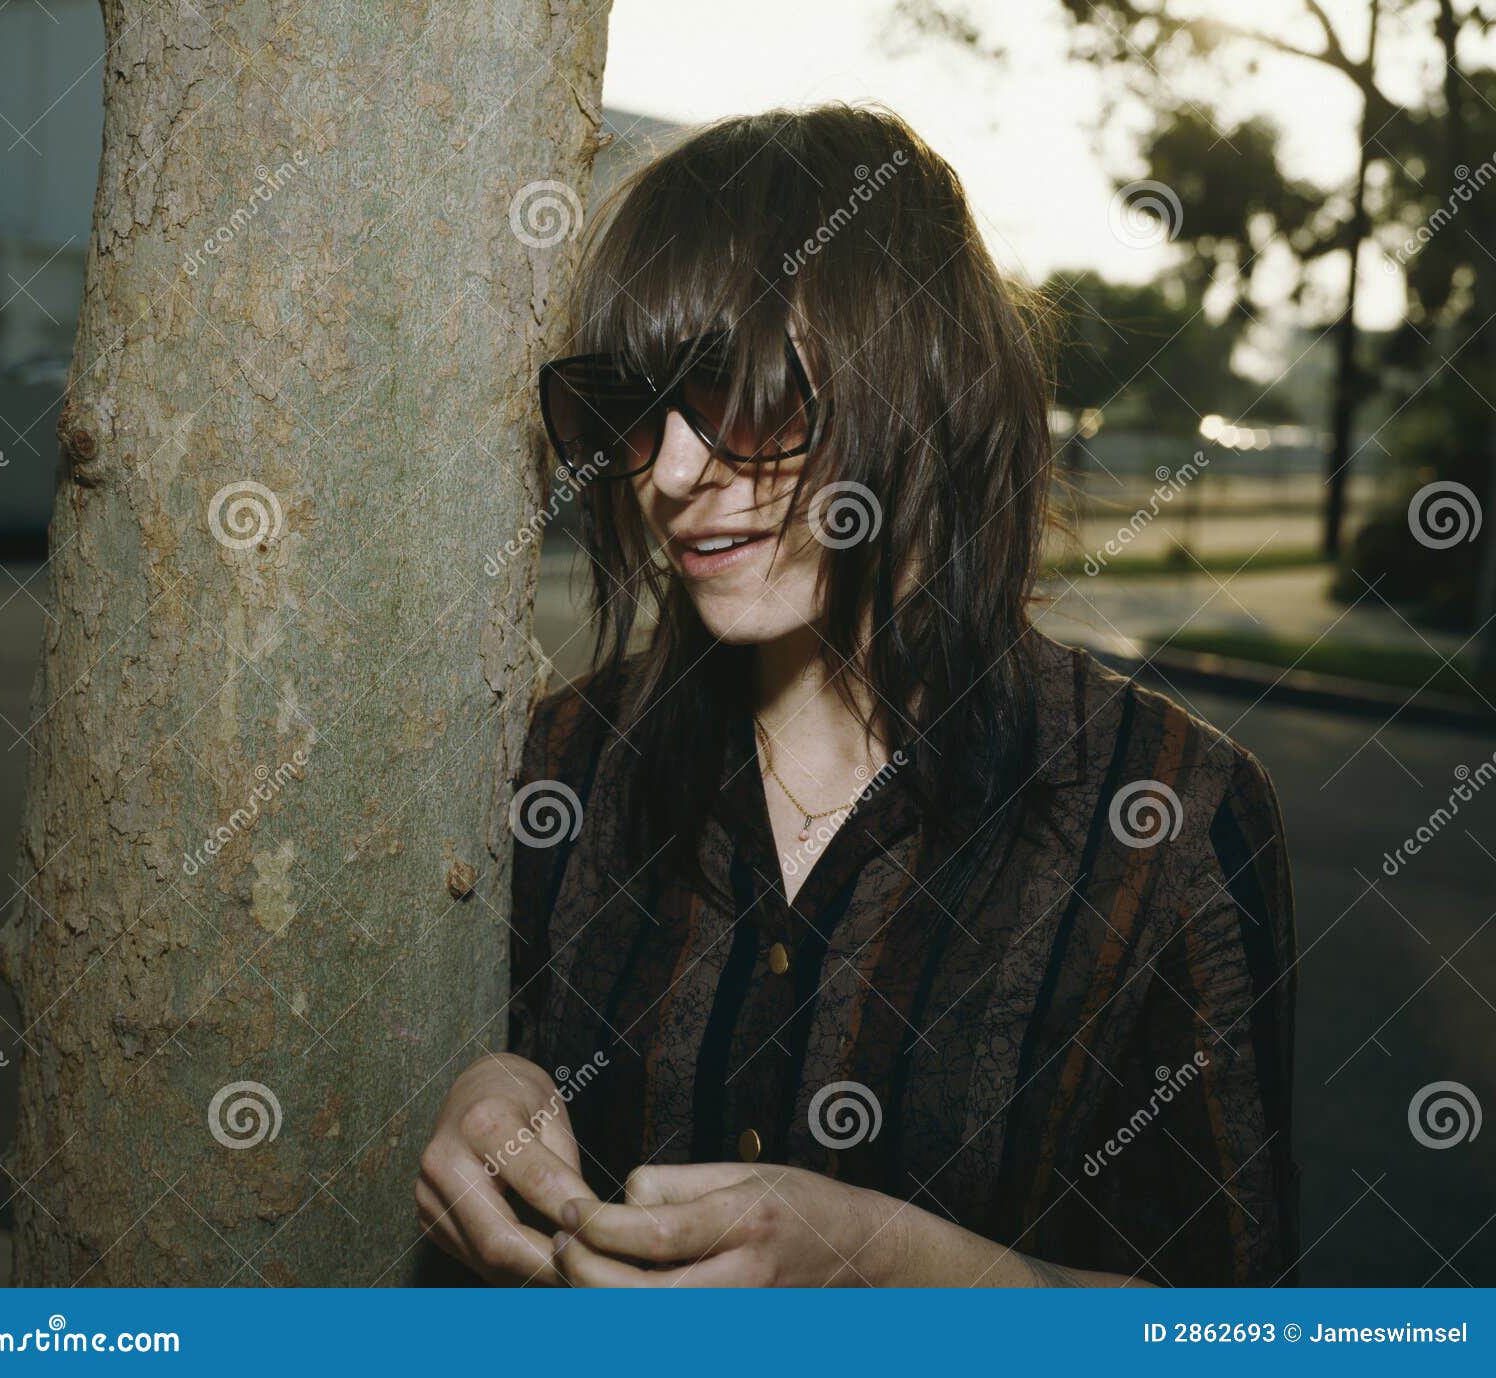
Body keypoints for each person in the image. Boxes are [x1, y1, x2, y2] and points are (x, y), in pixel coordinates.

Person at [415, 103, 1298, 1287]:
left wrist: (895, 1268)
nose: (671, 474)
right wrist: (489, 1089)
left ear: (925, 386)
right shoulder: (559, 763)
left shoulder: (1168, 817)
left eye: (745, 391)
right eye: (632, 410)